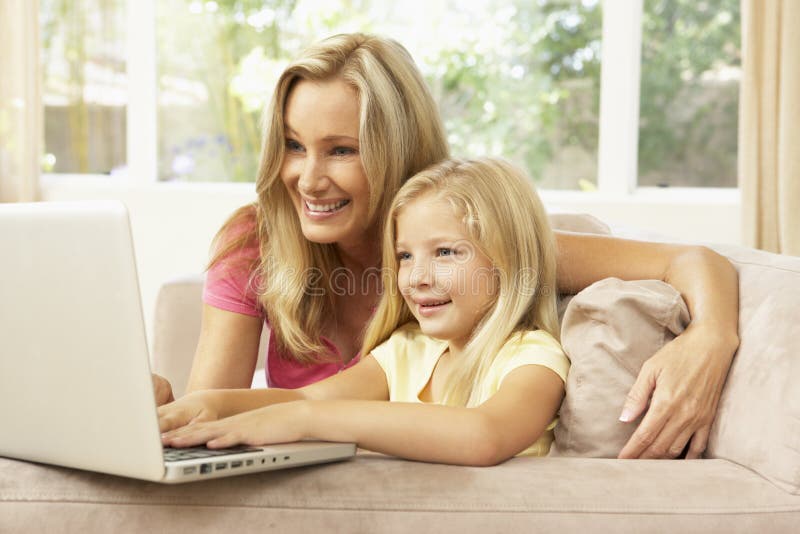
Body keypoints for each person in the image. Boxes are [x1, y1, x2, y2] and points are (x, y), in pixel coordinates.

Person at [153, 33, 740, 461]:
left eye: (341, 150)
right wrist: (161, 415)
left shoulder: (485, 243)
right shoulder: (264, 249)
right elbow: (220, 409)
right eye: (292, 145)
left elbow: (692, 260)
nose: (308, 179)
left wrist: (711, 336)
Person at [160, 157, 570, 464]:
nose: (417, 278)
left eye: (445, 252)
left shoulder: (532, 356)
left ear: (510, 261)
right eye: (405, 256)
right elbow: (306, 397)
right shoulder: (407, 349)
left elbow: (485, 435)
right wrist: (212, 405)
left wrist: (306, 421)